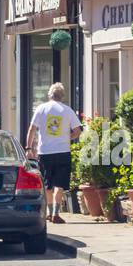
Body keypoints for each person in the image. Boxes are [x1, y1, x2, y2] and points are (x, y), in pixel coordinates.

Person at [25, 83, 82, 224]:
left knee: (47, 184)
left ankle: (50, 213)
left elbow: (32, 129)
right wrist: (67, 137)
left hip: (45, 152)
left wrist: (28, 148)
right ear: (62, 96)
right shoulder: (67, 110)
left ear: (49, 95)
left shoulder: (41, 108)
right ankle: (56, 213)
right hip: (63, 152)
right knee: (59, 184)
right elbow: (78, 130)